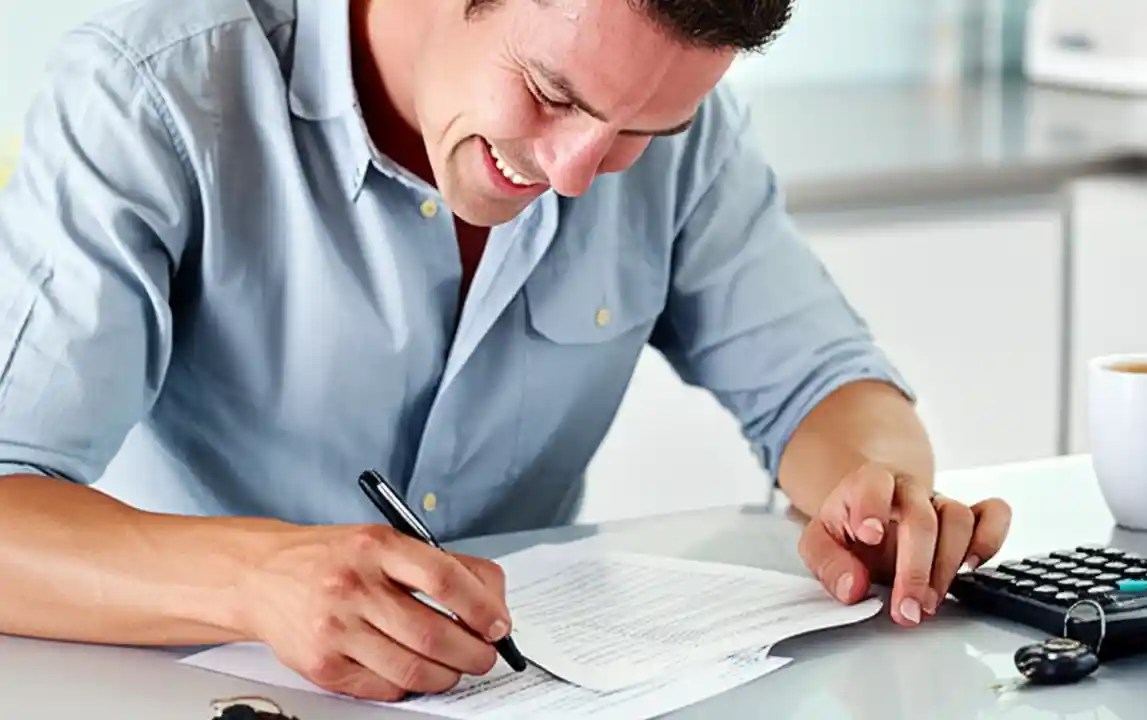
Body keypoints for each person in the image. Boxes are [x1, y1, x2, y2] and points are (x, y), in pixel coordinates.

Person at [0, 0, 1012, 702]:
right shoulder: (153, 93)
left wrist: (877, 492)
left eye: (636, 133)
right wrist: (257, 580)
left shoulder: (672, 135)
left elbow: (820, 386)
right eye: (549, 91)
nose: (578, 175)